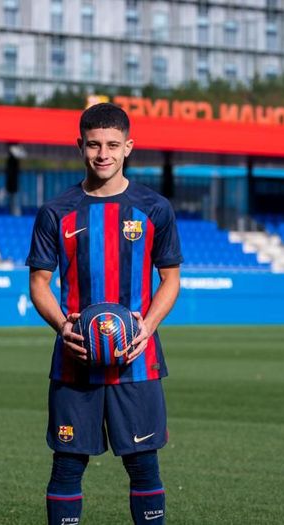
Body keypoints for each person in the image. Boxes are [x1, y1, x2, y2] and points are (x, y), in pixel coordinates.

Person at [25, 102, 183, 525]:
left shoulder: (154, 208)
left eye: (113, 144)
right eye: (94, 144)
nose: (103, 154)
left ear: (128, 146)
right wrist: (63, 327)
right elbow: (39, 283)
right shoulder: (56, 211)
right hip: (74, 361)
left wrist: (147, 327)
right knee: (67, 465)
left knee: (144, 464)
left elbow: (170, 279)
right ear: (80, 146)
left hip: (138, 362)